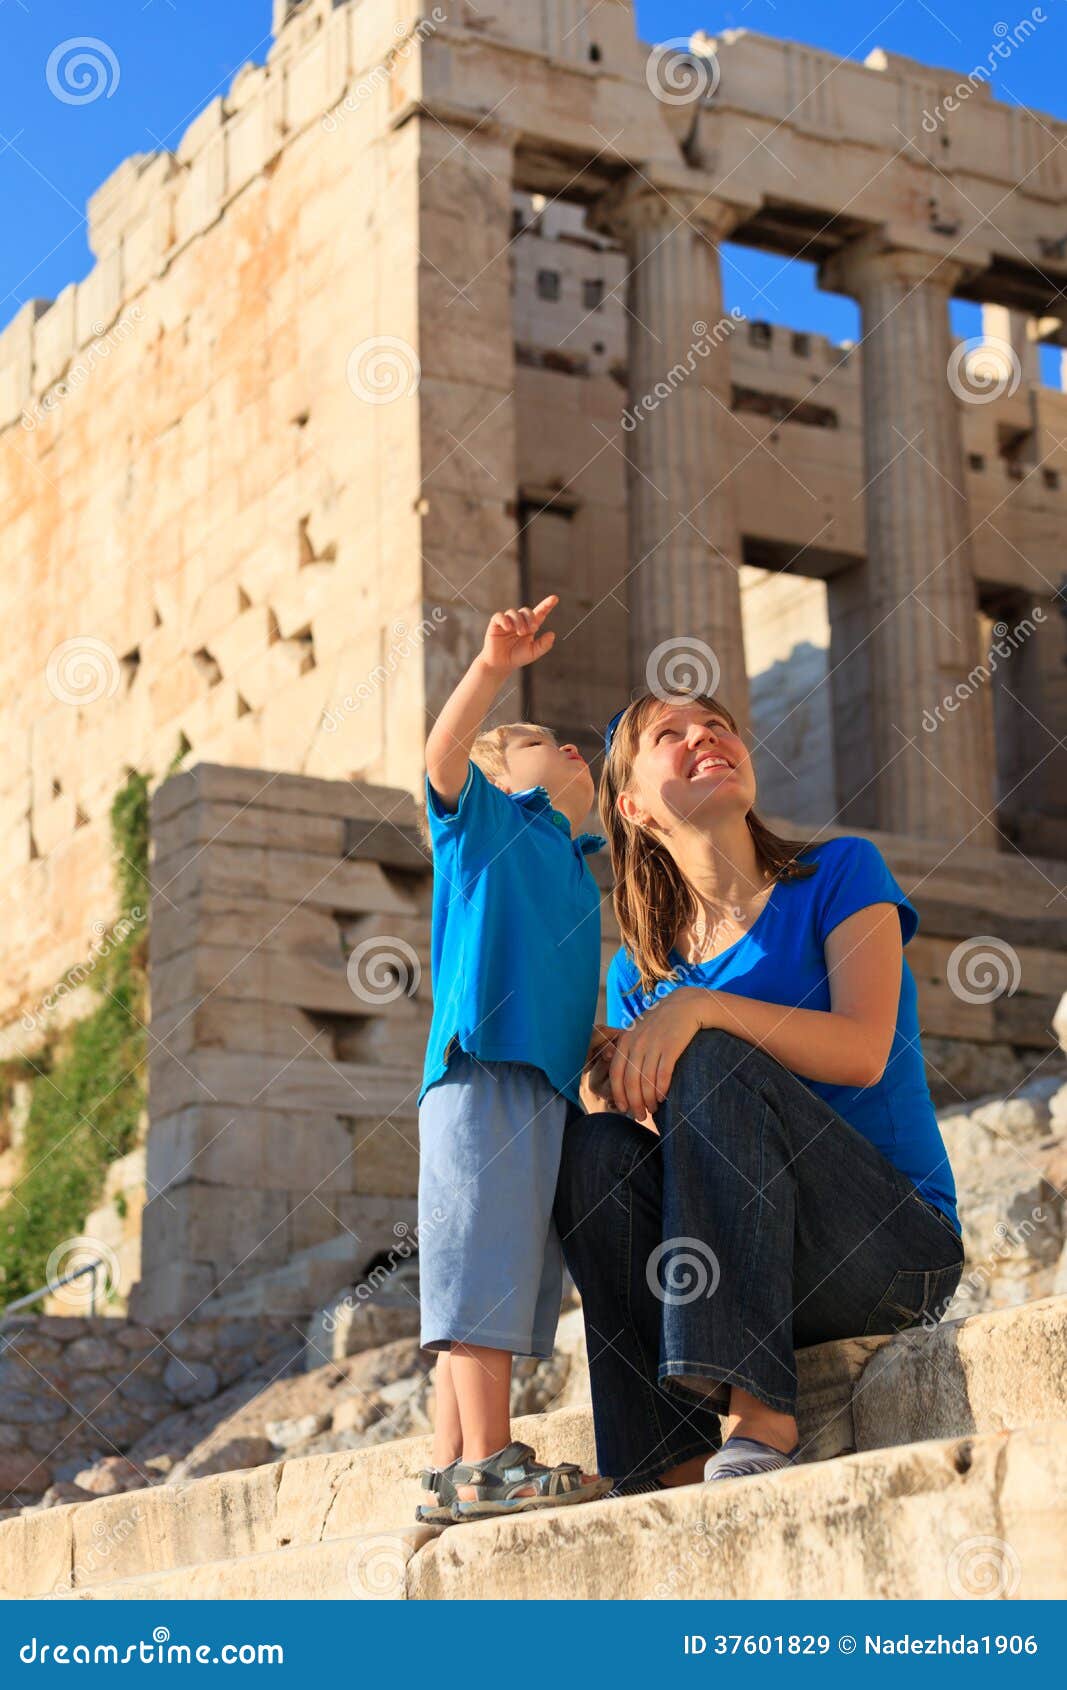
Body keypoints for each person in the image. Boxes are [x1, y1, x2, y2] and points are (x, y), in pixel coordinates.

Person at [556, 689, 965, 1494]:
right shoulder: (635, 978)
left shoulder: (841, 873)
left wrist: (703, 1008)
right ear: (634, 807)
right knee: (595, 1148)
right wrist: (606, 1087)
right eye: (669, 734)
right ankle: (664, 1460)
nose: (704, 737)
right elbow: (659, 1165)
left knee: (711, 1054)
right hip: (750, 1264)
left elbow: (861, 1051)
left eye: (716, 726)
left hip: (887, 1253)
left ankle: (759, 1416)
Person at [414, 593, 613, 1523]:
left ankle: (452, 1463)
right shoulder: (491, 823)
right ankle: (488, 1462)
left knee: (495, 1270)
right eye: (537, 738)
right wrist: (492, 670)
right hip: (481, 1066)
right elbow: (441, 758)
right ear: (504, 771)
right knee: (478, 1265)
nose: (569, 743)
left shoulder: (578, 861)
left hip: (539, 1083)